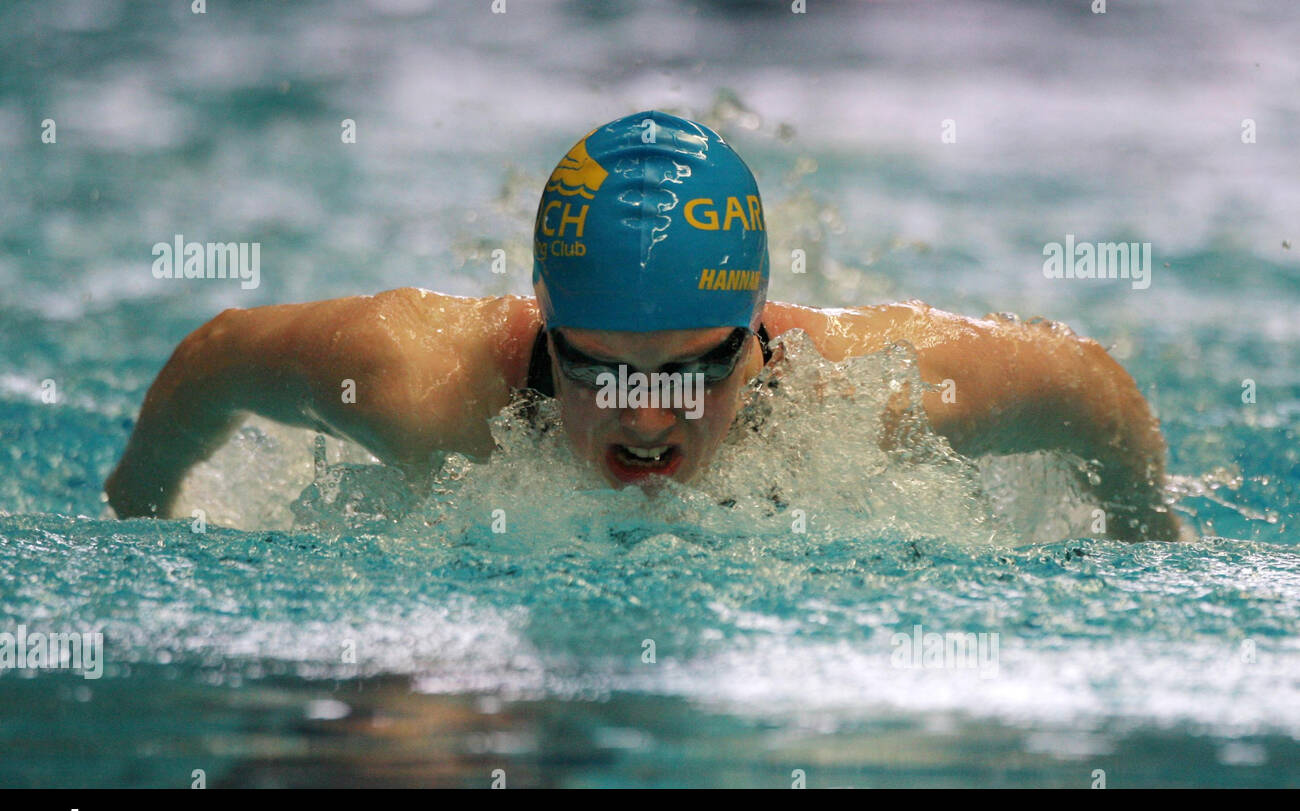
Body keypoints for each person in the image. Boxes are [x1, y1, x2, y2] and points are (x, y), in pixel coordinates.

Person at [104, 111, 1182, 541]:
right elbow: (215, 358)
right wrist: (139, 512)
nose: (648, 416)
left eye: (691, 371)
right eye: (604, 372)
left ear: (755, 342)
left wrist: (1145, 533)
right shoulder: (419, 384)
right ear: (547, 336)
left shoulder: (869, 393)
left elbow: (1086, 386)